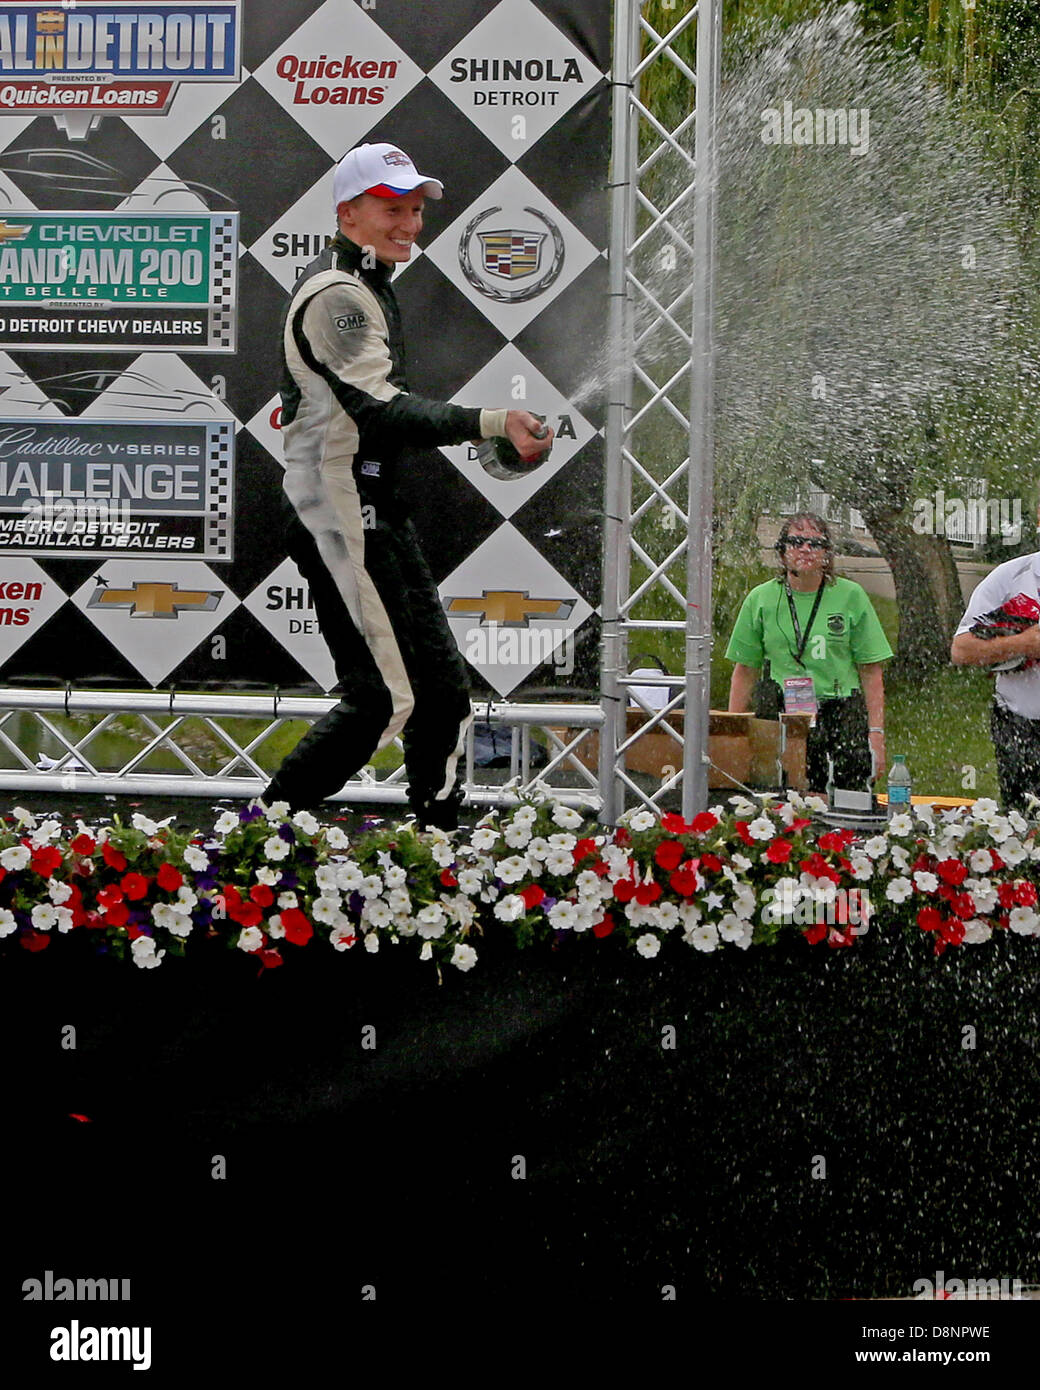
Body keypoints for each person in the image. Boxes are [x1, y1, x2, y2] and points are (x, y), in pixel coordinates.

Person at [262, 142, 553, 826]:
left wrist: (488, 430)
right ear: (348, 213)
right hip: (332, 507)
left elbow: (380, 413)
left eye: (417, 210)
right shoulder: (337, 291)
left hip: (373, 507)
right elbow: (379, 408)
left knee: (445, 698)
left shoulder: (368, 281)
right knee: (383, 699)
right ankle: (256, 835)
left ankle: (437, 847)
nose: (411, 224)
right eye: (394, 208)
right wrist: (490, 421)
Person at [725, 512, 892, 791]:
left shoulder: (851, 596)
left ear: (827, 554)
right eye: (796, 542)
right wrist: (732, 733)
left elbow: (871, 670)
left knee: (847, 792)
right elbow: (745, 670)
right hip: (783, 711)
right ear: (782, 552)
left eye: (815, 544)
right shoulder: (761, 599)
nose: (804, 549)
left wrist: (876, 733)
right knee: (780, 793)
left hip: (840, 709)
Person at [950, 512, 1040, 808]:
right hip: (1020, 726)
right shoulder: (1011, 575)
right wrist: (1023, 643)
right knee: (1024, 826)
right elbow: (961, 650)